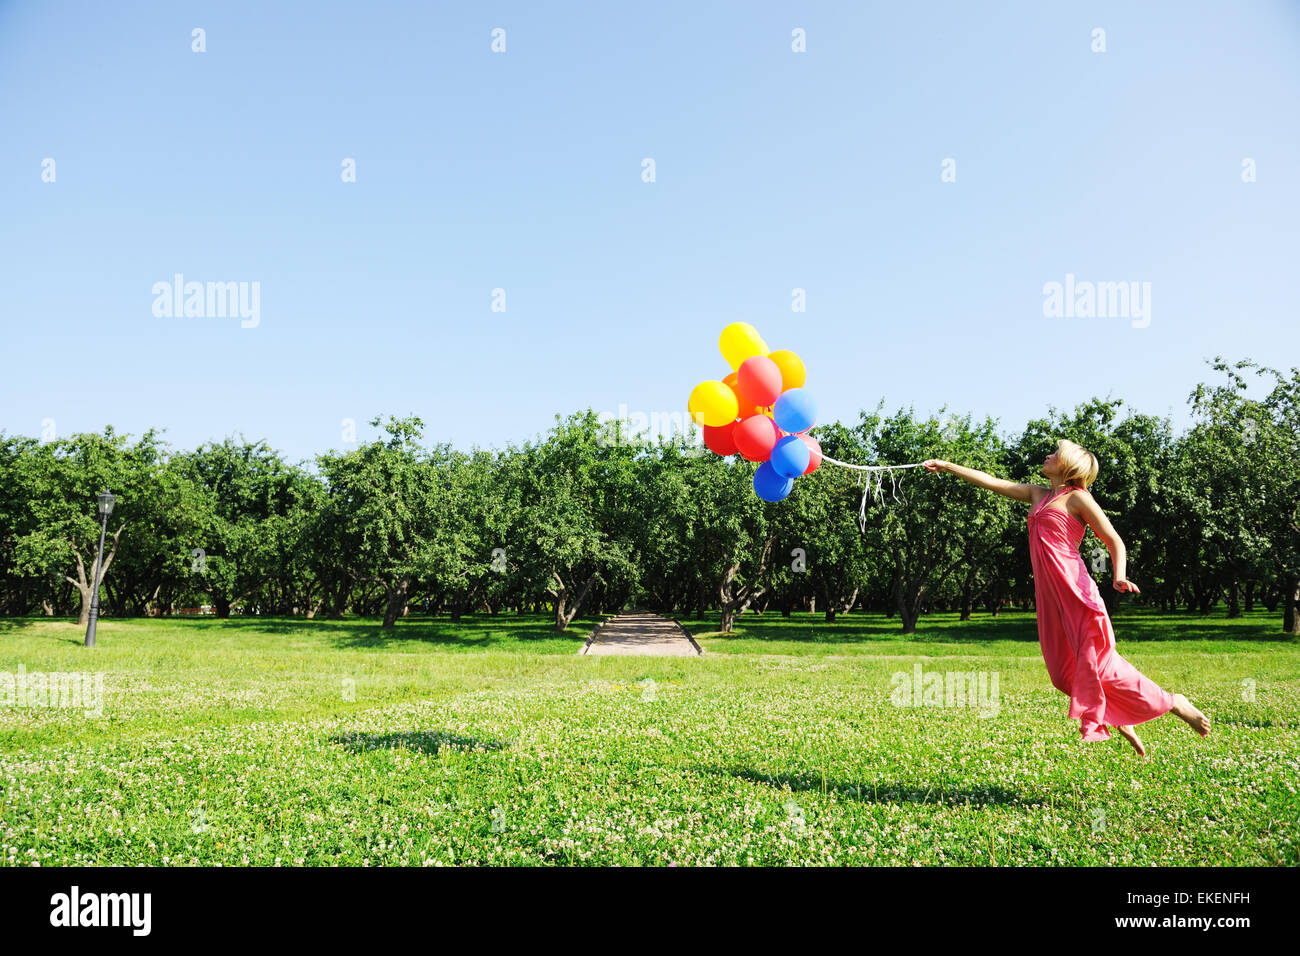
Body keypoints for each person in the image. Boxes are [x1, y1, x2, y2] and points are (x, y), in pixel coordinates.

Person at [923, 440, 1211, 756]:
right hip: (1050, 597)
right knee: (1063, 676)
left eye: (1054, 454)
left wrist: (1119, 575)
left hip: (1077, 592)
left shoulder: (1078, 499)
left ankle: (1173, 702)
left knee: (1100, 666)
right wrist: (948, 466)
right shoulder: (1037, 494)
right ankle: (1109, 712)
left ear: (1068, 465)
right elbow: (993, 482)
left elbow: (1114, 540)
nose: (1047, 456)